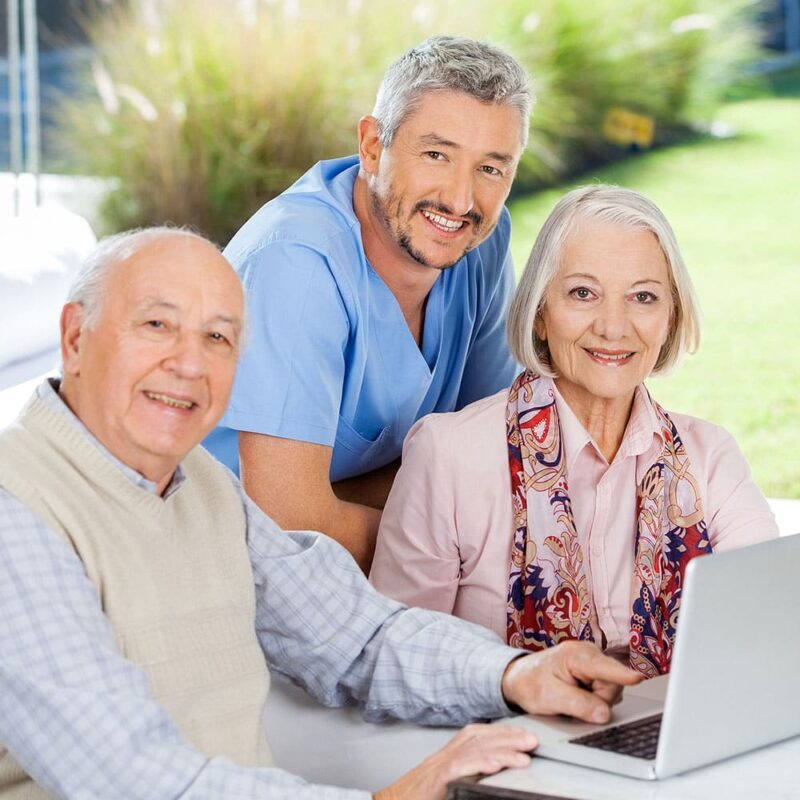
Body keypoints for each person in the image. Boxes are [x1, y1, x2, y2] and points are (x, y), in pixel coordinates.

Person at [0, 228, 643, 800]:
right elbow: (131, 779)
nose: (189, 363)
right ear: (74, 338)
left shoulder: (201, 485)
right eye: (156, 326)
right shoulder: (16, 508)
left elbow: (355, 639)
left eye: (217, 337)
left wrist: (515, 672)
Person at [371, 185, 779, 676]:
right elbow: (400, 658)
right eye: (583, 293)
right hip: (510, 740)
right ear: (541, 312)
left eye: (643, 297)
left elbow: (768, 633)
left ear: (670, 317)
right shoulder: (449, 455)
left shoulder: (711, 460)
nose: (613, 327)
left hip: (677, 740)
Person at [203, 36, 532, 571]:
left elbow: (492, 456)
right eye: (436, 155)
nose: (459, 200)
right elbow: (290, 528)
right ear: (373, 146)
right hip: (223, 556)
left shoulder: (481, 243)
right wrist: (459, 537)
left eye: (491, 168)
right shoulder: (298, 263)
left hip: (352, 553)